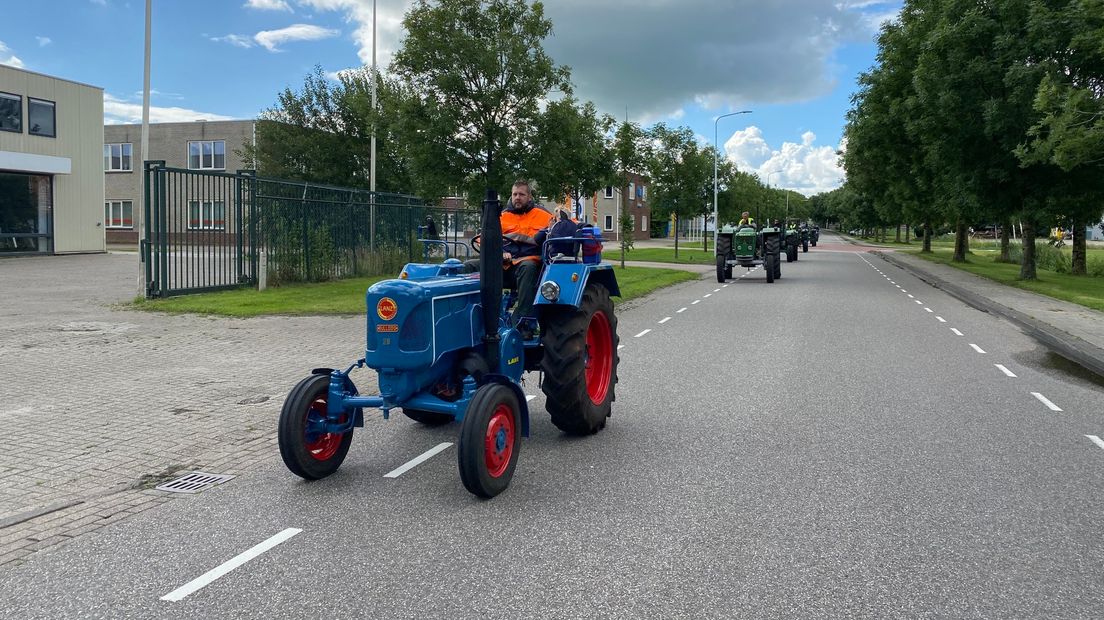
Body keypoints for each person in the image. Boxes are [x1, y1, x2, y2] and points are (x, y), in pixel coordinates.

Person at [464, 179, 553, 330]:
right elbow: (483, 239)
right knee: (468, 266)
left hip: (527, 265)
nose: (517, 197)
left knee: (528, 267)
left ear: (529, 197)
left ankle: (524, 322)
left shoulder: (543, 216)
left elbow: (564, 224)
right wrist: (500, 252)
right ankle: (471, 317)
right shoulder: (501, 216)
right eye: (515, 194)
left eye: (521, 194)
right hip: (501, 265)